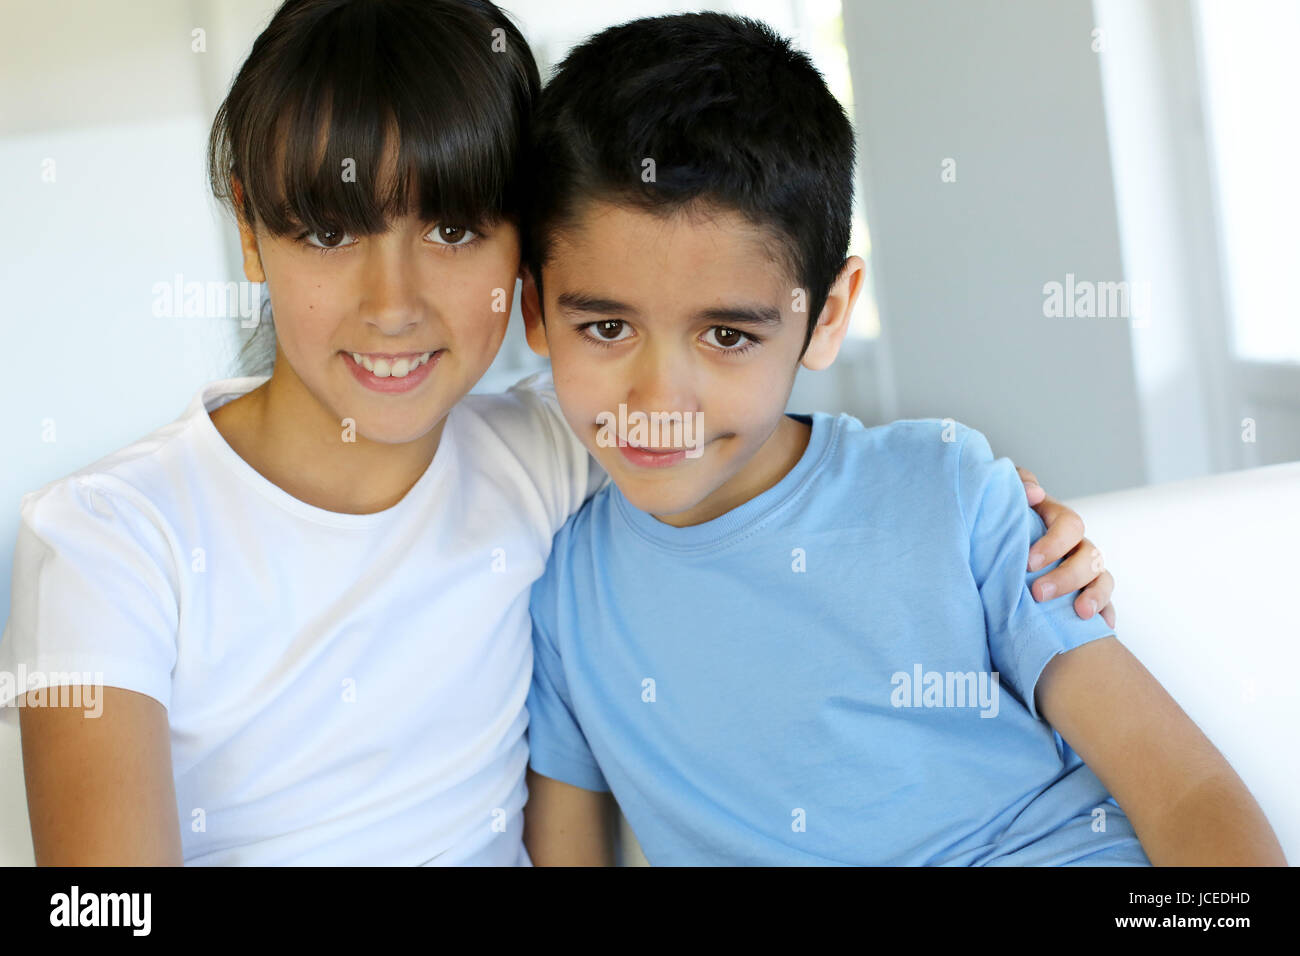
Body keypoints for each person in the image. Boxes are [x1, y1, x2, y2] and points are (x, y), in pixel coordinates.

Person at [1, 0, 1112, 866]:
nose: (394, 304)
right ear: (249, 229)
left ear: (524, 259)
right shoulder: (105, 535)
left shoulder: (543, 449)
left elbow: (753, 433)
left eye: (450, 226)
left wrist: (999, 519)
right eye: (330, 231)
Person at [518, 13, 1285, 866]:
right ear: (534, 310)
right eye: (608, 327)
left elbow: (1189, 795)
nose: (659, 398)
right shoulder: (560, 599)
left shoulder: (949, 488)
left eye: (727, 336)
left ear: (828, 315)